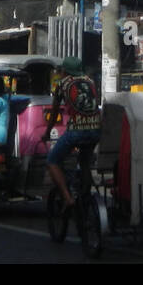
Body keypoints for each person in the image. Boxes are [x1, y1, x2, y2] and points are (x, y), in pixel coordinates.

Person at [45, 57, 102, 209]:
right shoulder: (90, 81)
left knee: (52, 161)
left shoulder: (62, 84)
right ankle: (85, 196)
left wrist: (46, 134)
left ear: (64, 71)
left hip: (76, 132)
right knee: (84, 163)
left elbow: (54, 112)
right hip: (96, 130)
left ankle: (67, 197)